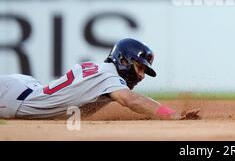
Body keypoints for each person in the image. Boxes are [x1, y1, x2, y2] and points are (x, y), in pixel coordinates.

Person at [0, 38, 199, 120]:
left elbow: (74, 110)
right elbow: (132, 100)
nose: (140, 75)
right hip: (14, 96)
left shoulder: (103, 73)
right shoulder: (107, 75)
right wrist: (172, 115)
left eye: (144, 71)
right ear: (123, 60)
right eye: (139, 67)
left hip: (23, 88)